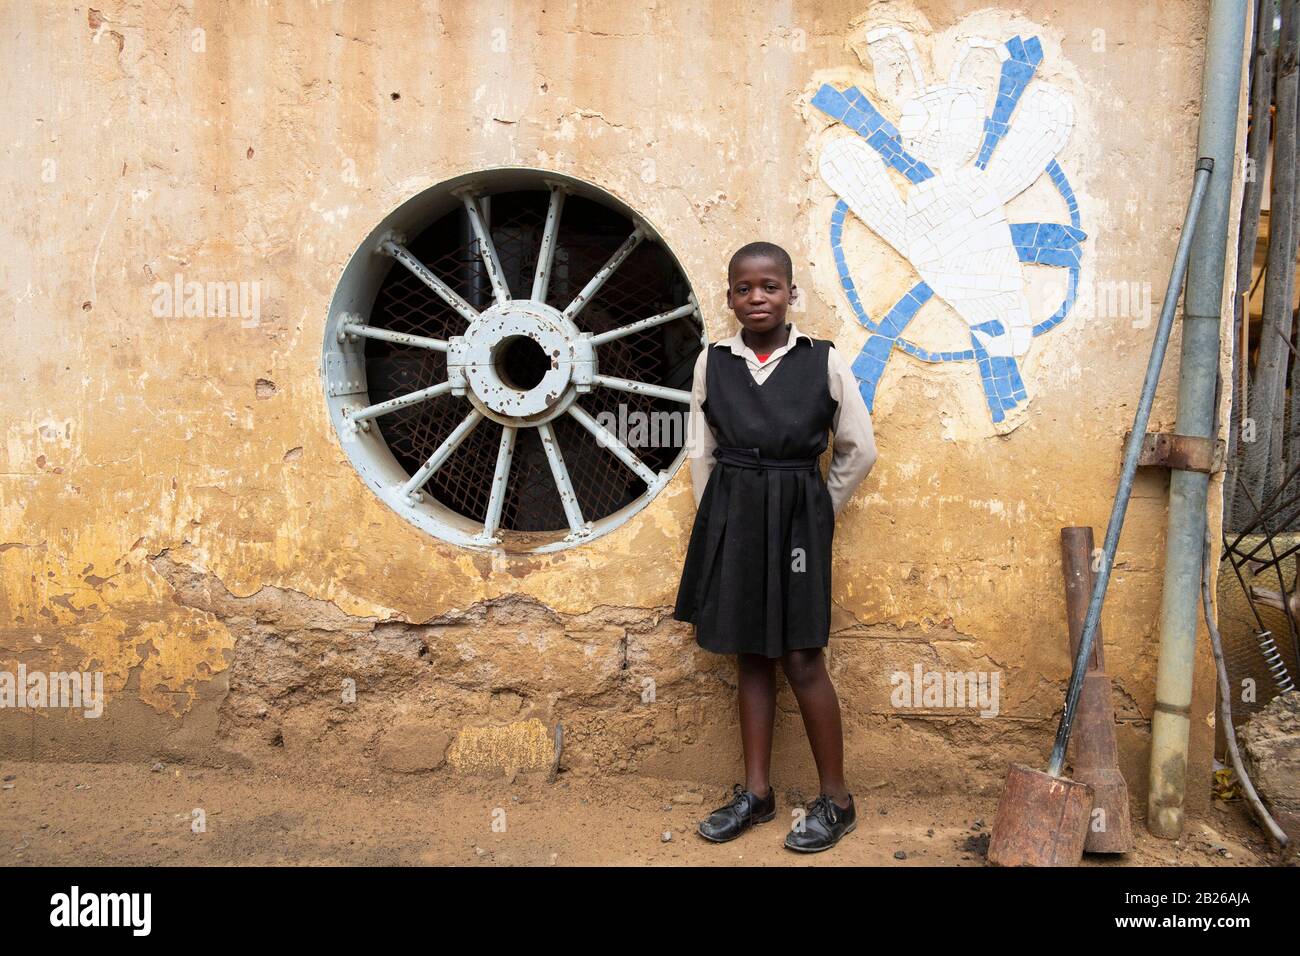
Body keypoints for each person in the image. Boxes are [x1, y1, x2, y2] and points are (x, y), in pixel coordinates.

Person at [672, 241, 878, 852]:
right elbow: (700, 451)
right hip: (735, 517)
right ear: (729, 296)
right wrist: (724, 520)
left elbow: (857, 449)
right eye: (743, 288)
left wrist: (815, 511)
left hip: (797, 522)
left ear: (791, 294)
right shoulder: (714, 362)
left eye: (769, 286)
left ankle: (837, 800)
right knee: (749, 655)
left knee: (802, 656)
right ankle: (758, 795)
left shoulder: (823, 361)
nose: (756, 297)